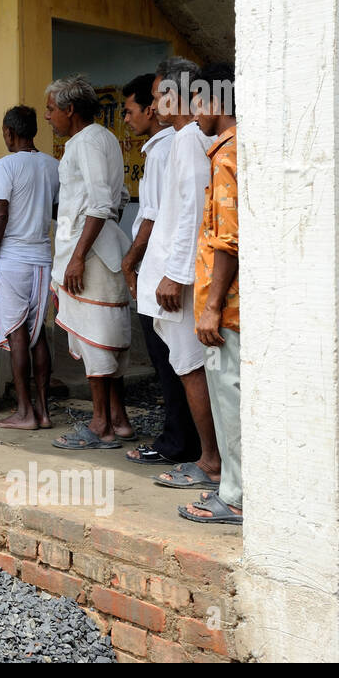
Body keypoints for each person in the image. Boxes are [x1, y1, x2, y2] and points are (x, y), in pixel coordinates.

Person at [138, 58, 223, 489]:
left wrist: (175, 274)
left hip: (184, 278)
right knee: (189, 365)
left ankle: (211, 461)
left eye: (157, 97)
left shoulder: (190, 139)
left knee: (190, 366)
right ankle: (210, 457)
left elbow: (191, 212)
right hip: (185, 274)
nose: (154, 106)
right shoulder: (184, 139)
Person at [45, 75, 134, 448]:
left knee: (97, 339)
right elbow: (121, 197)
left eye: (51, 109)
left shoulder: (87, 142)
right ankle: (118, 420)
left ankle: (101, 425)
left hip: (90, 255)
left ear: (69, 109)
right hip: (93, 248)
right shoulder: (100, 139)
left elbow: (101, 204)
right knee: (102, 337)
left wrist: (78, 255)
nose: (48, 117)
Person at [119, 71, 201, 466]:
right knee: (174, 366)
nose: (146, 110)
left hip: (168, 273)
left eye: (149, 101)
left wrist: (134, 261)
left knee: (176, 366)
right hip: (165, 269)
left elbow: (164, 216)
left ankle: (181, 444)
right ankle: (183, 440)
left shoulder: (173, 145)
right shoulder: (171, 144)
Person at [182, 63, 242, 526]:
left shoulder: (225, 156)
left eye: (198, 101)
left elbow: (228, 240)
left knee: (229, 397)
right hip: (241, 303)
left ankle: (235, 496)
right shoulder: (242, 148)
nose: (193, 113)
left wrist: (212, 306)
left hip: (230, 307)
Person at [0, 105, 59, 430]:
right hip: (42, 258)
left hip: (13, 259)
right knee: (37, 333)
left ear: (9, 133)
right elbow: (57, 210)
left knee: (17, 335)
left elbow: (0, 212)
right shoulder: (52, 165)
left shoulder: (7, 165)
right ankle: (43, 412)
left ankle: (24, 412)